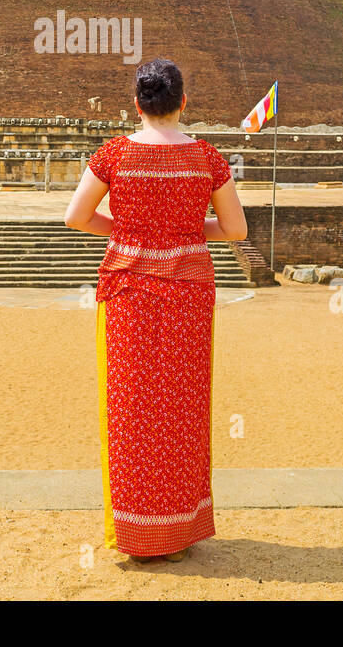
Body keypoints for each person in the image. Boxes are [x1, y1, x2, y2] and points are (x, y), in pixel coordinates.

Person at [65, 58, 246, 564]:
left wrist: (131, 234)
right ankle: (177, 531)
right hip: (188, 295)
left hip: (128, 293)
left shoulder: (114, 155)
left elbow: (75, 216)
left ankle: (134, 532)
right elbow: (236, 231)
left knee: (130, 410)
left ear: (138, 104)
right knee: (182, 408)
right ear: (183, 102)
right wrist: (185, 232)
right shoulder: (207, 159)